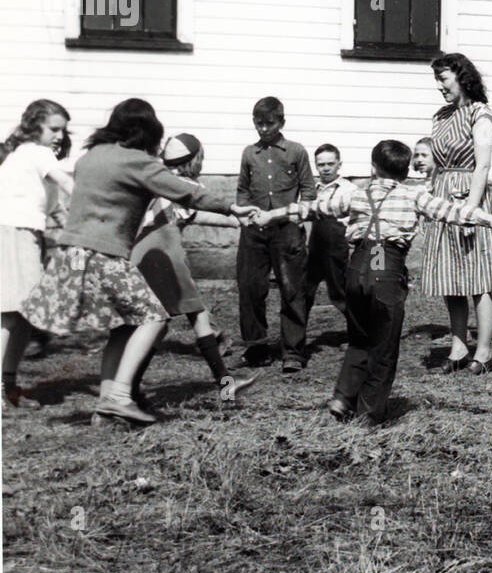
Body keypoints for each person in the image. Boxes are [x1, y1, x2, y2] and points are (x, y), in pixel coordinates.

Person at [19, 99, 255, 425]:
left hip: (71, 255)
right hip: (103, 254)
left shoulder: (90, 157)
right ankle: (120, 397)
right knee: (154, 318)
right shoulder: (137, 161)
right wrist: (231, 208)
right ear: (148, 130)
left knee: (124, 327)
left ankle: (107, 405)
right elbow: (187, 193)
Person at [255, 139, 492, 424]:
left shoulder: (356, 195)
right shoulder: (414, 195)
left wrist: (270, 214)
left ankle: (343, 397)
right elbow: (455, 212)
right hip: (385, 268)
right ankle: (370, 413)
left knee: (360, 338)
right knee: (384, 346)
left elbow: (312, 208)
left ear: (373, 167)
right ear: (406, 171)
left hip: (358, 268)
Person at [129, 134, 260, 407]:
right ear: (195, 159)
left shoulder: (160, 181)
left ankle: (129, 389)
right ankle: (225, 384)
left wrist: (234, 222)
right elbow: (201, 204)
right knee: (197, 316)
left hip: (142, 254)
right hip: (164, 252)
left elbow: (192, 214)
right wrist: (235, 212)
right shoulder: (186, 185)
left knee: (158, 325)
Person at [419, 55, 492, 374]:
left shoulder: (481, 114)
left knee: (478, 276)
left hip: (469, 194)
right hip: (443, 194)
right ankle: (458, 346)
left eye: (443, 79)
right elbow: (436, 163)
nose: (439, 87)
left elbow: (483, 165)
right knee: (449, 275)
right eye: (437, 81)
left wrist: (472, 207)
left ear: (462, 77)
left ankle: (484, 352)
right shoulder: (440, 116)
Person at [412, 136, 492, 340]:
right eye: (416, 155)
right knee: (452, 280)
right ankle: (464, 331)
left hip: (464, 228)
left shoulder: (450, 174)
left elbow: (486, 178)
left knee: (475, 280)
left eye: (424, 155)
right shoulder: (428, 181)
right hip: (444, 231)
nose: (419, 159)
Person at [1, 100, 75, 408]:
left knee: (25, 314)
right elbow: (67, 183)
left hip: (24, 233)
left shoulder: (24, 156)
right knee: (9, 313)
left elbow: (54, 206)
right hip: (14, 232)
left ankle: (8, 385)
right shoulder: (37, 151)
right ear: (35, 127)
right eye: (54, 129)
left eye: (63, 130)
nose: (60, 136)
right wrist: (95, 205)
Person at [236, 96, 316, 372]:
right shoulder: (250, 153)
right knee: (250, 288)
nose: (263, 129)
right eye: (258, 123)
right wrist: (244, 215)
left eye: (269, 124)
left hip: (287, 231)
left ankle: (293, 352)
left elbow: (308, 190)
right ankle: (256, 348)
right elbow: (242, 190)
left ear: (281, 122)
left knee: (292, 289)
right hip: (255, 232)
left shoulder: (296, 151)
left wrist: (298, 214)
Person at [305, 143, 352, 333]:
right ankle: (295, 339)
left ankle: (361, 334)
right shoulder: (312, 189)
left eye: (330, 164)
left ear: (339, 164)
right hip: (315, 245)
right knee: (304, 290)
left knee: (339, 292)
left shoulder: (348, 189)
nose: (325, 169)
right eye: (321, 165)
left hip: (336, 244)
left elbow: (353, 219)